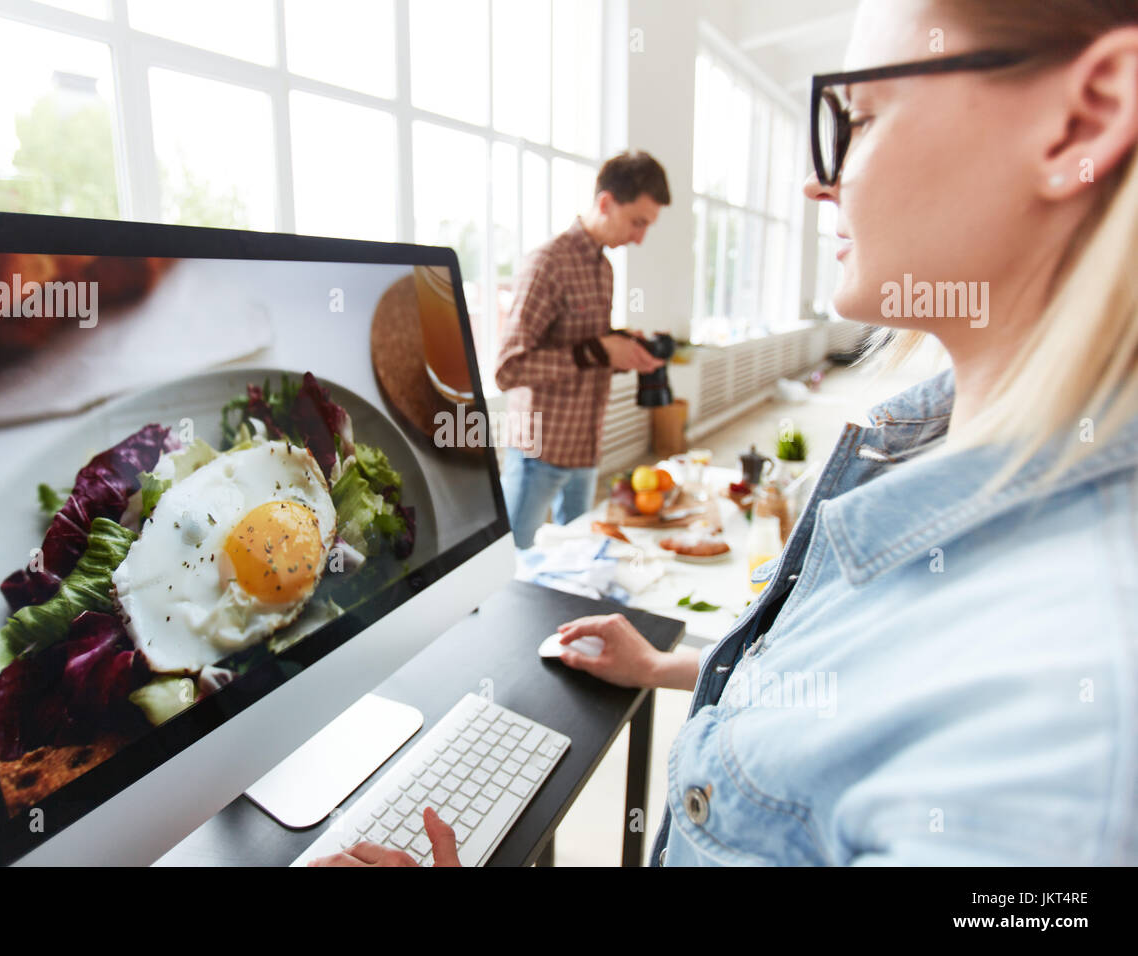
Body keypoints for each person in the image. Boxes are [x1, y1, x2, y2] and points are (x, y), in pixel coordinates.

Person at [311, 0, 1138, 866]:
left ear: (1081, 121)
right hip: (545, 435)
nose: (822, 182)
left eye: (856, 119)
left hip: (583, 437)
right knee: (511, 598)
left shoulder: (1064, 738)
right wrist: (684, 670)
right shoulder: (916, 440)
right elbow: (516, 365)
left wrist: (620, 351)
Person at [494, 151, 669, 549]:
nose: (640, 238)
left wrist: (624, 347)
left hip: (586, 446)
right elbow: (507, 369)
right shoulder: (547, 263)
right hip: (540, 451)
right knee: (509, 560)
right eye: (637, 222)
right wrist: (597, 351)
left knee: (577, 561)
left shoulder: (604, 268)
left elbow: (587, 346)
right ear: (606, 203)